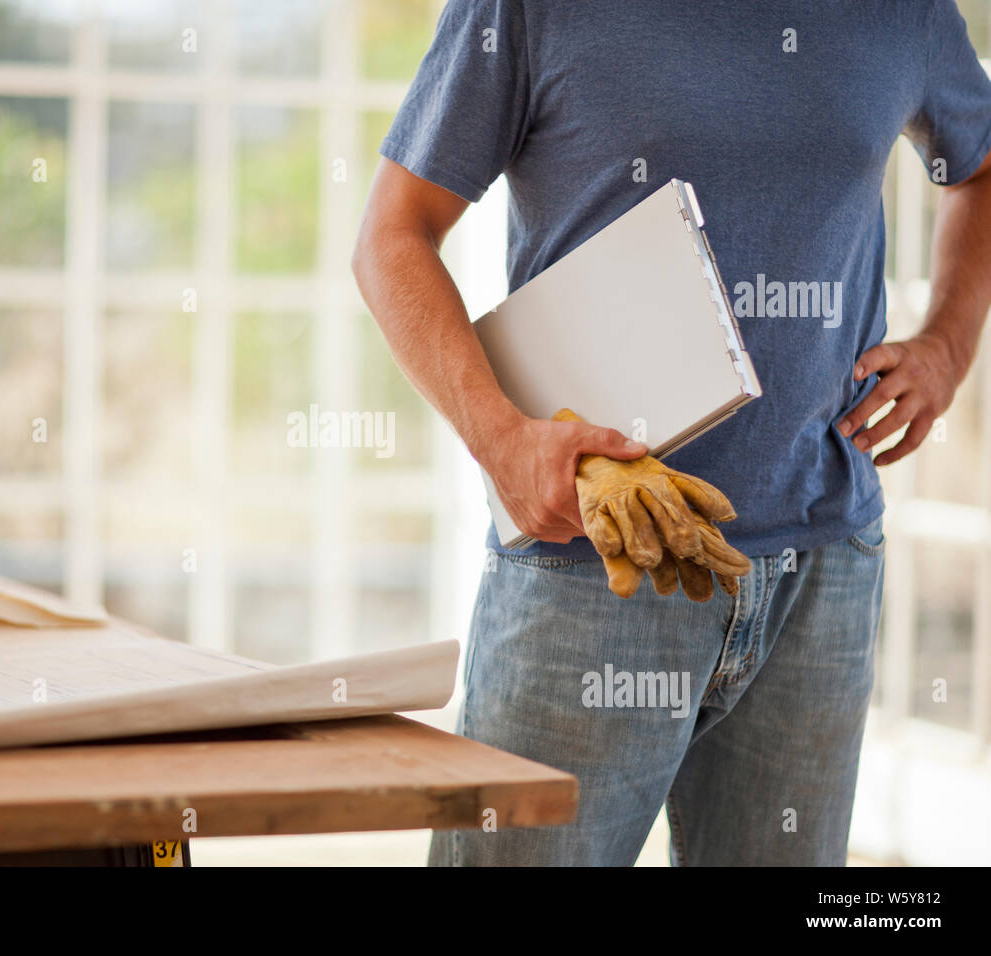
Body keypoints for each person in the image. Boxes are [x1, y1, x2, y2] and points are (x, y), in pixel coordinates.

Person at [351, 0, 991, 865]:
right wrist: (501, 439)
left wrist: (949, 345)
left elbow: (979, 164)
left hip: (824, 569)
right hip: (592, 564)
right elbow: (392, 236)